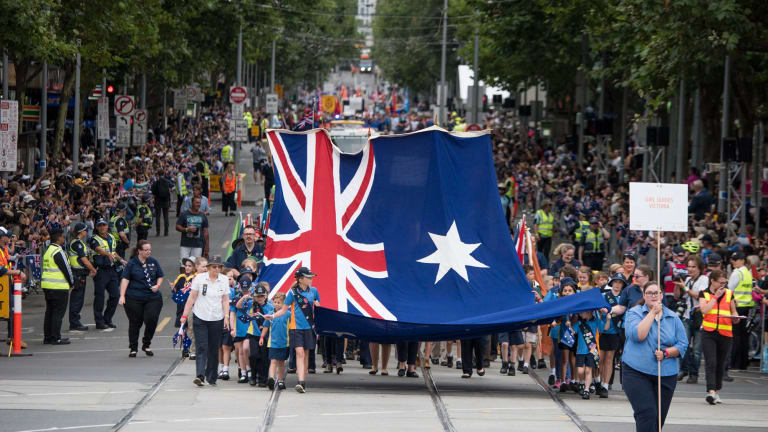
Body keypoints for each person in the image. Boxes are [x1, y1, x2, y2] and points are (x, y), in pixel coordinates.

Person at [622, 282, 687, 432]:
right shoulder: (634, 313)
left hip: (666, 374)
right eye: (649, 293)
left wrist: (666, 353)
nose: (653, 296)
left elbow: (682, 344)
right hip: (636, 371)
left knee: (658, 420)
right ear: (644, 295)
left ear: (662, 295)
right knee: (647, 413)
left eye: (656, 293)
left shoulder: (672, 317)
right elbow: (638, 335)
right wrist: (652, 313)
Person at [265, 267, 320, 393]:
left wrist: (317, 304)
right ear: (300, 279)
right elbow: (284, 310)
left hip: (309, 327)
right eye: (308, 277)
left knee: (305, 354)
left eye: (311, 277)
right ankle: (300, 382)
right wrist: (272, 316)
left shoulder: (314, 291)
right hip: (296, 328)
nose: (311, 279)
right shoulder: (292, 293)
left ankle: (302, 382)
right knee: (299, 353)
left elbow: (319, 306)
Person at [181, 256, 230, 387]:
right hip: (200, 317)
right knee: (201, 347)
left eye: (219, 267)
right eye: (214, 266)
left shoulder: (224, 280)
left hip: (217, 318)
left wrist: (226, 316)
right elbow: (192, 297)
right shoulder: (199, 278)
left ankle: (212, 376)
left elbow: (225, 299)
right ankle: (200, 375)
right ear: (208, 268)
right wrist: (184, 315)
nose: (217, 269)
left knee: (213, 348)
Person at [699, 270, 739, 404]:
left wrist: (736, 317)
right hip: (708, 332)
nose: (723, 285)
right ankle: (710, 391)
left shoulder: (729, 294)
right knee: (711, 362)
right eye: (721, 282)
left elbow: (733, 311)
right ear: (713, 281)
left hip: (725, 333)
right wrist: (715, 297)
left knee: (721, 364)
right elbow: (704, 310)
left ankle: (716, 392)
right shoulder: (704, 293)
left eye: (725, 283)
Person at [118, 240, 164, 357]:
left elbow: (160, 276)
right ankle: (133, 348)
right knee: (135, 322)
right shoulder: (132, 264)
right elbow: (125, 280)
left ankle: (146, 344)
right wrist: (122, 296)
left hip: (152, 296)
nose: (148, 252)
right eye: (146, 250)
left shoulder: (153, 262)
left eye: (150, 250)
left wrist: (157, 285)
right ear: (139, 251)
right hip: (134, 297)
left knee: (151, 319)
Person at [677, 256, 708, 384]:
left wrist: (685, 288)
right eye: (688, 266)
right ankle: (683, 369)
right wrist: (678, 286)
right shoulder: (687, 279)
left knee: (696, 349)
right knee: (683, 344)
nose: (690, 269)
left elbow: (700, 295)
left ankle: (693, 374)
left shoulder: (704, 280)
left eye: (693, 267)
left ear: (700, 268)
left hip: (699, 317)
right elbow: (677, 296)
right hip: (687, 316)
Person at [90, 218, 125, 330]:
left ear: (107, 226)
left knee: (115, 295)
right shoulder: (94, 239)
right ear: (97, 227)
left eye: (104, 225)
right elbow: (98, 249)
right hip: (100, 271)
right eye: (100, 225)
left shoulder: (111, 237)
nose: (102, 227)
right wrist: (107, 254)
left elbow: (113, 252)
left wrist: (121, 260)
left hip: (111, 270)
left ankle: (107, 319)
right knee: (100, 297)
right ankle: (99, 322)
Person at [41, 229, 74, 345]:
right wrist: (72, 283)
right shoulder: (58, 251)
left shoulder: (48, 251)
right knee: (58, 313)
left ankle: (48, 337)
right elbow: (66, 269)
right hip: (58, 286)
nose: (64, 239)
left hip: (47, 285)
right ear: (59, 238)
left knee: (49, 312)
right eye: (63, 237)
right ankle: (56, 338)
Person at [597, 273, 627, 398]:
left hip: (616, 331)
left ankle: (605, 385)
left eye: (620, 282)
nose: (617, 284)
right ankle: (598, 381)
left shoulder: (624, 298)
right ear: (611, 283)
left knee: (610, 359)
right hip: (602, 330)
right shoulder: (604, 296)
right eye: (615, 281)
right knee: (600, 359)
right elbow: (597, 310)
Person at [241, 281, 273, 386]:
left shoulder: (270, 306)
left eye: (262, 296)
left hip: (265, 335)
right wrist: (245, 297)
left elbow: (270, 320)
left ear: (266, 296)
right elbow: (238, 306)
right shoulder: (250, 304)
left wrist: (264, 326)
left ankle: (263, 379)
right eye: (257, 296)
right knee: (254, 355)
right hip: (254, 334)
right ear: (254, 296)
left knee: (264, 357)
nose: (260, 298)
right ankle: (253, 376)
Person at [68, 222, 97, 332]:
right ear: (82, 232)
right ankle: (74, 323)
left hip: (80, 274)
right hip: (78, 274)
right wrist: (93, 269)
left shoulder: (79, 242)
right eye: (86, 230)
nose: (87, 232)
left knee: (78, 299)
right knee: (77, 299)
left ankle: (75, 321)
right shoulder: (77, 243)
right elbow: (84, 260)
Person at [728, 251, 754, 370]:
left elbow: (729, 290)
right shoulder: (748, 272)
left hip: (737, 307)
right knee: (744, 335)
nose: (733, 262)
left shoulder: (737, 273)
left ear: (742, 260)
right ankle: (743, 363)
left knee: (736, 336)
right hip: (747, 306)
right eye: (732, 260)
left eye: (735, 259)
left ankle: (734, 363)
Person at [263, 292, 289, 391]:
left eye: (279, 302)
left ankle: (280, 380)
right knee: (273, 361)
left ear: (284, 303)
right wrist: (262, 337)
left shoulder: (288, 314)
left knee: (281, 362)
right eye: (275, 302)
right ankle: (271, 379)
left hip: (284, 342)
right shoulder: (270, 313)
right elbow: (266, 326)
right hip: (273, 342)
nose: (276, 304)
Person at [176, 196, 209, 272]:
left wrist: (207, 247)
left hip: (198, 244)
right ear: (192, 203)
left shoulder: (202, 215)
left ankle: (195, 279)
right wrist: (187, 229)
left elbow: (206, 232)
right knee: (183, 264)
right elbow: (177, 226)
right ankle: (183, 278)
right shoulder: (184, 214)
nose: (198, 204)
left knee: (197, 265)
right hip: (185, 244)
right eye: (196, 202)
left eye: (199, 203)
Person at [151, 171, 173, 236]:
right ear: (164, 174)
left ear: (158, 175)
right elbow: (173, 187)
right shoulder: (167, 181)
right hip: (166, 200)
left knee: (158, 216)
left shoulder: (156, 182)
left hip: (158, 200)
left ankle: (158, 232)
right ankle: (166, 232)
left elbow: (152, 191)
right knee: (166, 216)